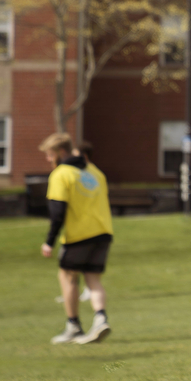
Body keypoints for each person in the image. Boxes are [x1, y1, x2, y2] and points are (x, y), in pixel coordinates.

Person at [38, 132, 114, 345]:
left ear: (61, 152)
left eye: (50, 154)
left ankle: (73, 326)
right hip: (103, 232)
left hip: (78, 235)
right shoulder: (95, 171)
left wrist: (49, 241)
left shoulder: (61, 174)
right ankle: (101, 319)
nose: (48, 159)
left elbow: (57, 212)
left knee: (68, 277)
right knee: (93, 279)